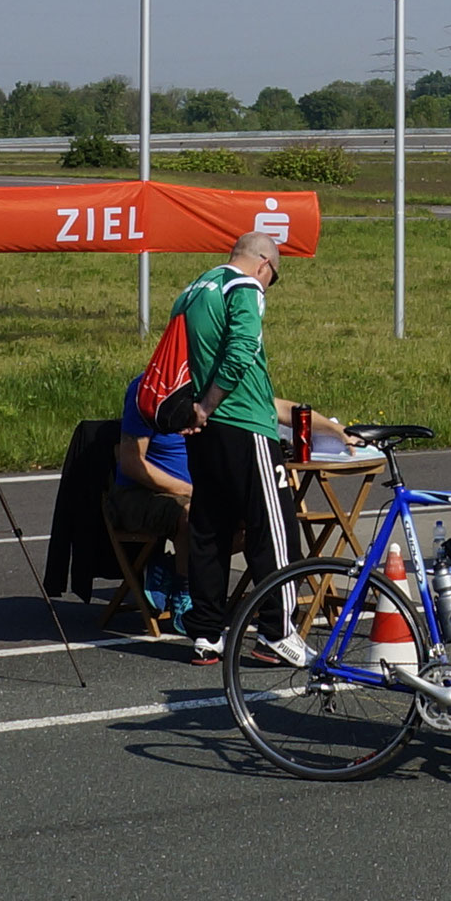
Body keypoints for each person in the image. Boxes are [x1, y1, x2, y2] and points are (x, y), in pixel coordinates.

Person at [169, 223, 329, 652]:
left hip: (203, 429)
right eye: (272, 278)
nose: (269, 286)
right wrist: (212, 402)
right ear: (265, 265)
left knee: (209, 527)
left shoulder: (193, 290)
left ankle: (205, 630)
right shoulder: (244, 286)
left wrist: (197, 408)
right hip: (243, 421)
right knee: (273, 527)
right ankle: (277, 631)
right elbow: (242, 347)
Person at [100, 368, 196, 627]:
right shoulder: (147, 389)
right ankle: (185, 593)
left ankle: (171, 565)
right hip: (138, 494)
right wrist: (188, 490)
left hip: (190, 493)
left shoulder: (210, 389)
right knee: (193, 514)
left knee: (250, 515)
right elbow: (132, 464)